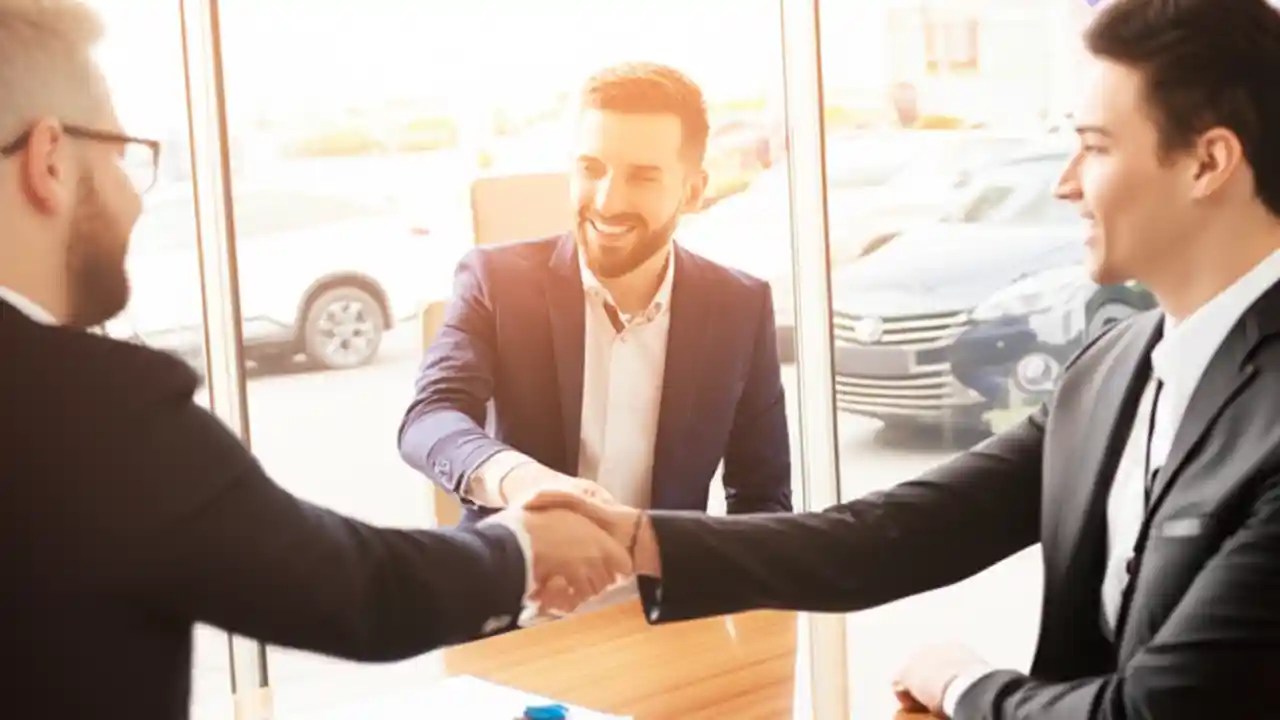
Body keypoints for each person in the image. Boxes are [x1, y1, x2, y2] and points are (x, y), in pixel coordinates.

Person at [527, 0, 1280, 717]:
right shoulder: (1112, 369)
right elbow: (886, 539)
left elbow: (1155, 710)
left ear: (1208, 162)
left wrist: (965, 685)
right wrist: (632, 539)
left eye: (1096, 147)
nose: (1065, 184)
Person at [0, 3, 627, 718]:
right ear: (50, 160)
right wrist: (525, 548)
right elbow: (362, 592)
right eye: (122, 156)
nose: (134, 201)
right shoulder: (91, 413)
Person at [398, 62, 792, 524]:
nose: (607, 202)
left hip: (665, 570)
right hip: (516, 564)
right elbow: (431, 415)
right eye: (591, 168)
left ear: (692, 192)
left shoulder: (740, 308)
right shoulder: (496, 280)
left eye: (642, 177)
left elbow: (763, 500)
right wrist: (520, 480)